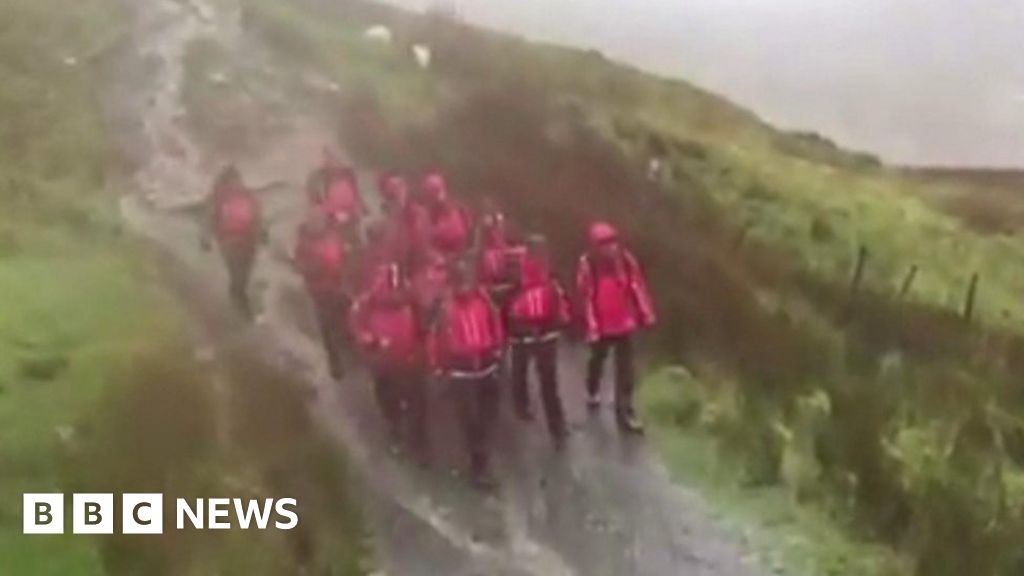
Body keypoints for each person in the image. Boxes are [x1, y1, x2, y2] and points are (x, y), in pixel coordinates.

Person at [428, 258, 505, 488]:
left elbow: (496, 325)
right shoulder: (445, 309)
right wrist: (438, 367)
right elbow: (435, 339)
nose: (464, 286)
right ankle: (478, 465)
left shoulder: (484, 302)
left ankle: (482, 453)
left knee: (486, 415)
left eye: (467, 280)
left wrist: (498, 350)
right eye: (460, 281)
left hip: (486, 366)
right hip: (460, 371)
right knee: (470, 419)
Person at [575, 221, 656, 434]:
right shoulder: (588, 265)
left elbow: (637, 287)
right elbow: (587, 298)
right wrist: (592, 326)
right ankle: (592, 389)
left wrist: (645, 313)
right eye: (604, 244)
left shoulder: (626, 261)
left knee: (626, 370)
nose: (610, 248)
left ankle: (625, 412)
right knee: (598, 360)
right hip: (601, 325)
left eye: (612, 243)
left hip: (624, 322)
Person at [350, 263, 430, 462]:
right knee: (389, 400)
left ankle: (418, 443)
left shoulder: (411, 301)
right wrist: (369, 340)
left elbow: (424, 328)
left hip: (410, 361)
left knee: (418, 403)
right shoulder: (369, 301)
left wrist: (425, 349)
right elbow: (357, 323)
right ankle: (395, 428)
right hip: (383, 364)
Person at [507, 235, 571, 447]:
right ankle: (521, 404)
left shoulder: (550, 273)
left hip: (546, 332)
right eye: (537, 250)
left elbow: (559, 299)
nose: (541, 255)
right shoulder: (517, 272)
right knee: (521, 369)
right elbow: (509, 302)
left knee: (549, 380)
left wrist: (558, 323)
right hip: (522, 332)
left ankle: (556, 423)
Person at [293, 205, 352, 381]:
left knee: (344, 316)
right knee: (327, 326)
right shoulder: (304, 243)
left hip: (339, 285)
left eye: (320, 220)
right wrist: (317, 269)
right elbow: (300, 265)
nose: (318, 224)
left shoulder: (333, 235)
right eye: (314, 220)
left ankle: (346, 345)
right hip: (320, 290)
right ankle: (334, 361)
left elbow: (342, 253)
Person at [202, 165, 266, 318]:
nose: (237, 184)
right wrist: (205, 237)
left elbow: (257, 214)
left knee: (246, 272)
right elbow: (209, 219)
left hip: (249, 240)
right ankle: (240, 305)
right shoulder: (218, 199)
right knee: (237, 273)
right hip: (229, 241)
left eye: (238, 180)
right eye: (234, 181)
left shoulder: (248, 196)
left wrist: (263, 232)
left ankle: (237, 300)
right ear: (227, 182)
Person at [306, 147, 365, 234]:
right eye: (327, 159)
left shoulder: (348, 175)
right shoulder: (317, 179)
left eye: (333, 159)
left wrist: (363, 213)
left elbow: (358, 198)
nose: (330, 162)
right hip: (329, 224)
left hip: (350, 220)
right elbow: (314, 206)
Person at [420, 172, 473, 259]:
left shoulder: (461, 212)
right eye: (431, 193)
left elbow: (472, 244)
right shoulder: (423, 218)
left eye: (438, 190)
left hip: (459, 264)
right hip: (434, 267)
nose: (437, 196)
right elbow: (422, 248)